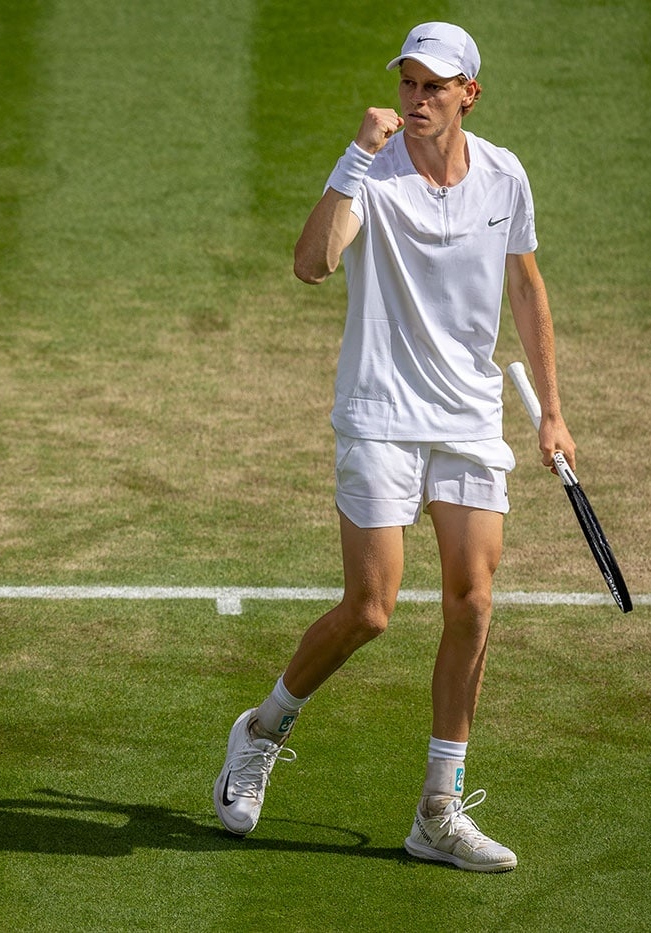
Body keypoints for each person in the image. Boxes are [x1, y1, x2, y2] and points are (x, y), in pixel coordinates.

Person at [212, 21, 575, 873]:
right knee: (371, 609)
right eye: (407, 83)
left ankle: (438, 810)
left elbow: (526, 286)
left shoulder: (505, 175)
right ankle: (263, 727)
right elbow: (312, 264)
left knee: (472, 602)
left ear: (468, 95)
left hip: (468, 419)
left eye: (433, 86)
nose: (415, 98)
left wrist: (552, 412)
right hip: (378, 413)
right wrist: (354, 156)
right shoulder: (370, 171)